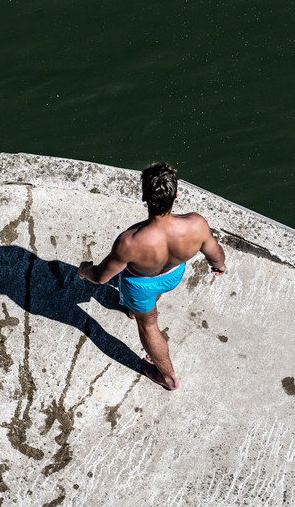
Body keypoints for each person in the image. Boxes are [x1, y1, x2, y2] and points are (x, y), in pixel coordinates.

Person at [77, 162, 227, 389]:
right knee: (150, 295)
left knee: (148, 325)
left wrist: (84, 270)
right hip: (172, 276)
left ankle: (167, 378)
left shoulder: (130, 241)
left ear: (144, 197)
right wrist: (219, 266)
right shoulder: (196, 224)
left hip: (140, 286)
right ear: (176, 195)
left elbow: (100, 277)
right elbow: (215, 254)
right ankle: (133, 310)